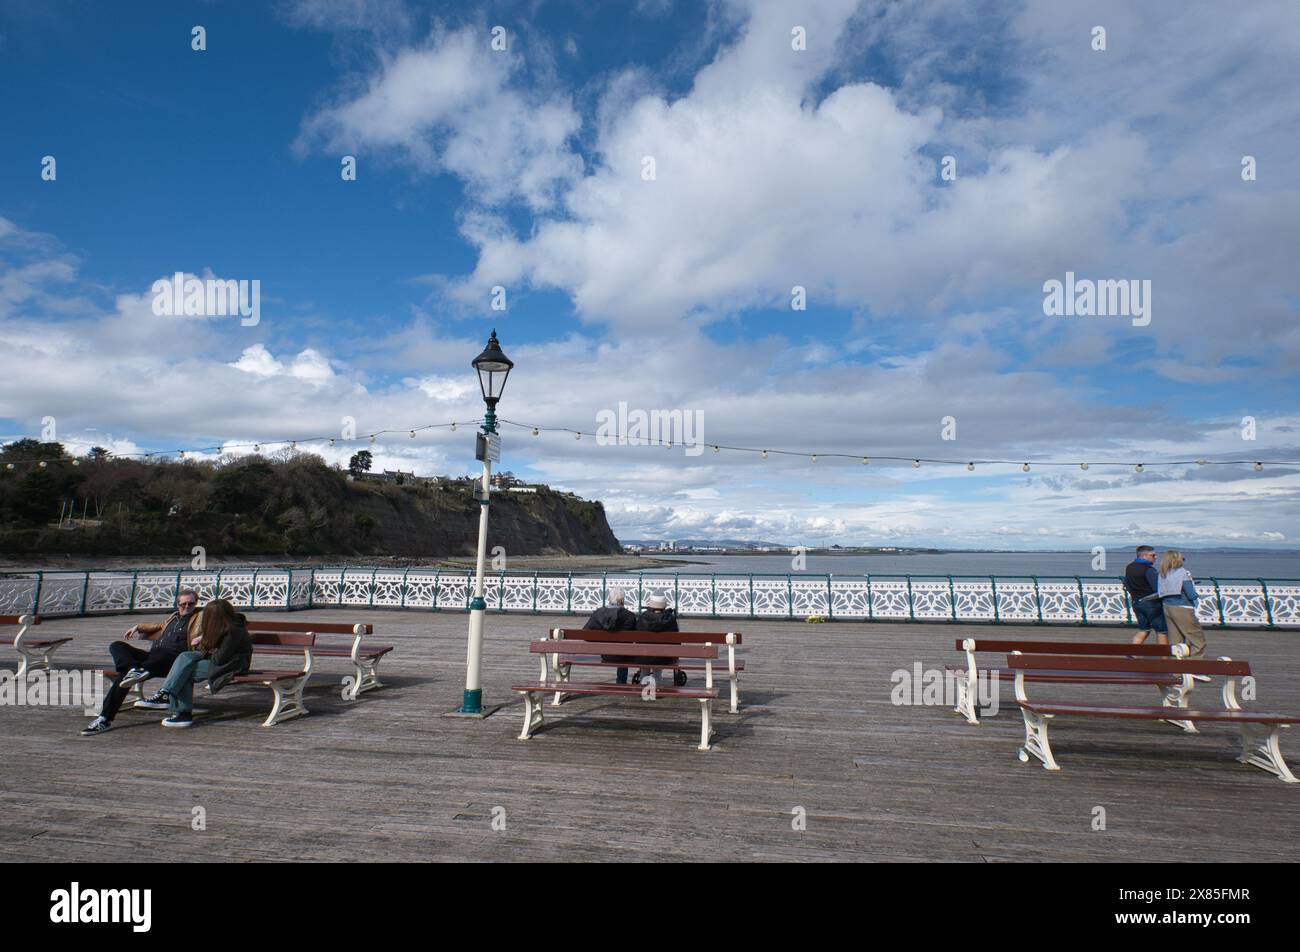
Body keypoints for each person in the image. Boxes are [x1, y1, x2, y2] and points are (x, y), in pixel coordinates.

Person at [80, 589, 203, 736]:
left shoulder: (200, 617)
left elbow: (219, 625)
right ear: (178, 605)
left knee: (125, 675)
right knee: (117, 646)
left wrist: (202, 637)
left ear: (196, 603)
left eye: (191, 604)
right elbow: (159, 626)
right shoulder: (174, 617)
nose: (187, 607)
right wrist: (138, 627)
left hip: (173, 662)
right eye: (183, 604)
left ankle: (105, 717)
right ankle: (133, 671)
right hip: (153, 658)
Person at [157, 599, 253, 728]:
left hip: (233, 665)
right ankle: (167, 695)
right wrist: (205, 643)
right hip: (220, 661)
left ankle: (179, 710)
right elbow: (209, 651)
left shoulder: (233, 630)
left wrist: (207, 647)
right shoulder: (224, 626)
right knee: (185, 656)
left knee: (184, 671)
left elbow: (220, 658)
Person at [1157, 549, 1207, 658]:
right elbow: (1191, 594)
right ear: (1177, 560)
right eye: (1182, 558)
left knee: (1176, 640)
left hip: (1167, 606)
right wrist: (1196, 594)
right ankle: (1194, 667)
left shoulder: (1162, 573)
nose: (1183, 561)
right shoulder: (1183, 572)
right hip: (1182, 607)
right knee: (1197, 638)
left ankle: (1177, 670)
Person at [583, 588, 638, 684]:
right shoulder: (630, 616)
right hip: (623, 656)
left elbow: (585, 634)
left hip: (605, 654)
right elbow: (637, 638)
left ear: (609, 599)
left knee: (621, 649)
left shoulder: (598, 613)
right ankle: (621, 682)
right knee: (623, 649)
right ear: (622, 601)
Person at [633, 592, 687, 687]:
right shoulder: (670, 619)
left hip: (643, 655)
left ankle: (643, 686)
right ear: (664, 605)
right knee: (658, 655)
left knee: (646, 656)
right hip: (664, 657)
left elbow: (637, 639)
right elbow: (676, 641)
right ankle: (656, 685)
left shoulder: (642, 617)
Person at [1124, 545, 1166, 645]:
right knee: (1162, 631)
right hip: (1151, 603)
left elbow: (1127, 584)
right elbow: (1158, 589)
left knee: (1144, 629)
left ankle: (1132, 654)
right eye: (1153, 555)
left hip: (1136, 602)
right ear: (1144, 556)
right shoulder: (1149, 570)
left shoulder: (1129, 567)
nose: (1155, 557)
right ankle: (1165, 657)